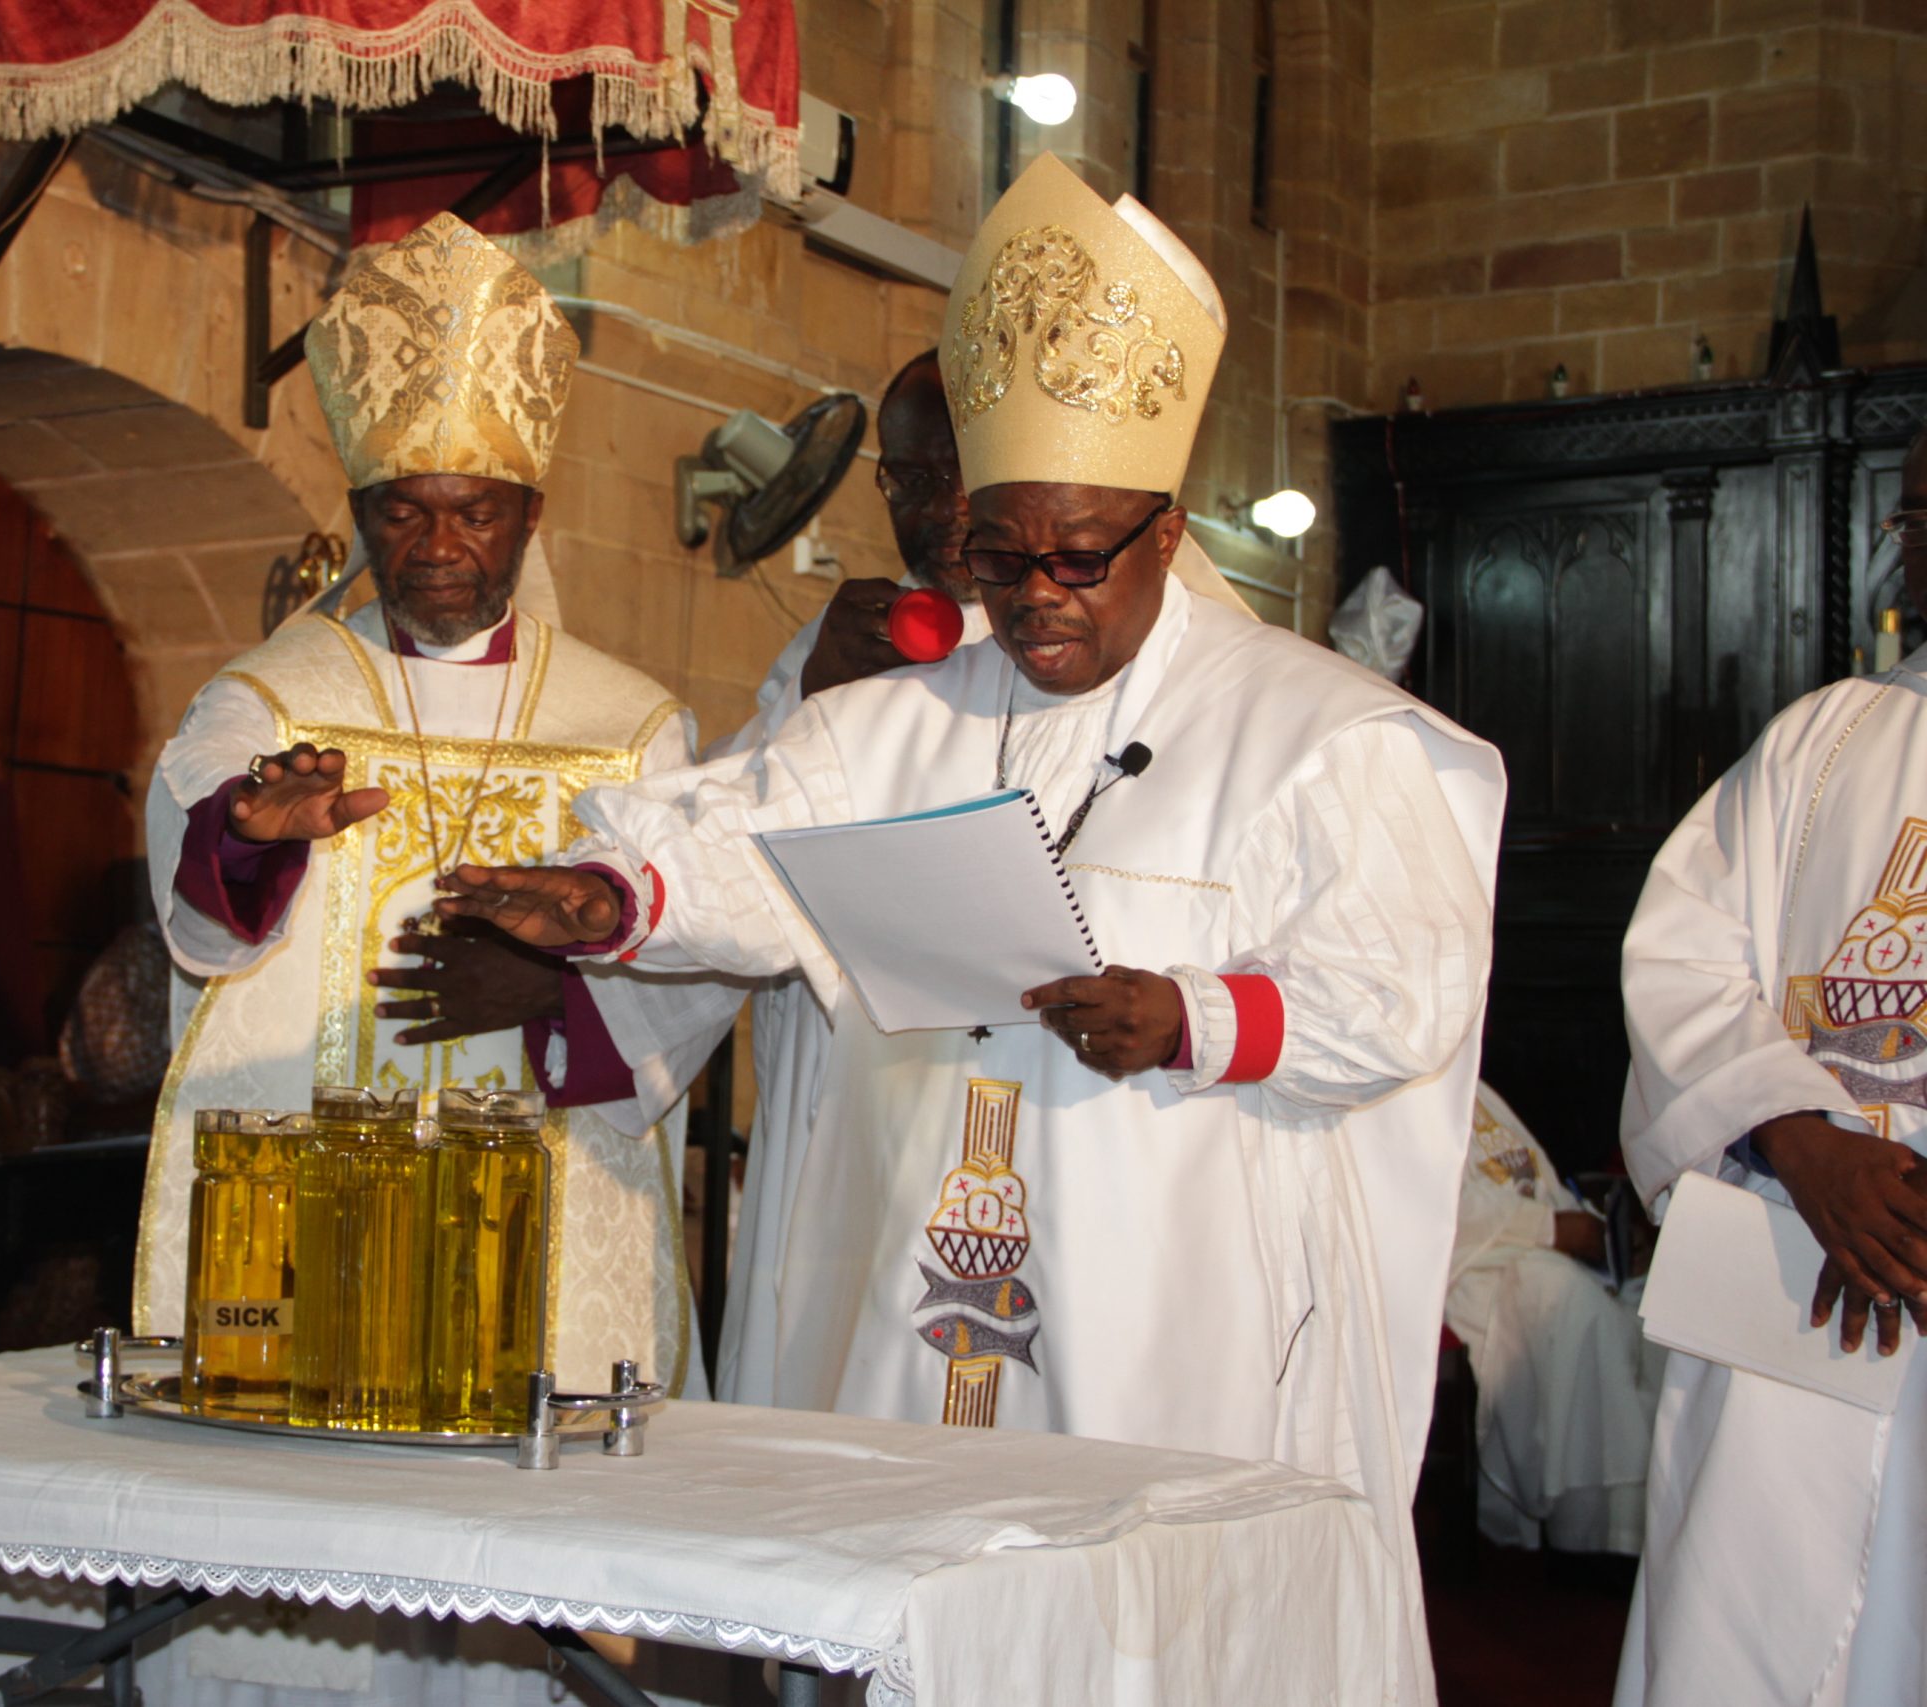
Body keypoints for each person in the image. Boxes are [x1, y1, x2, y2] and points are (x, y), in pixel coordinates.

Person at [433, 155, 1503, 1700]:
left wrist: (1196, 1014)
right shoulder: (900, 717)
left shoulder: (1320, 736)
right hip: (918, 1303)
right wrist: (613, 897)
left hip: (1162, 1315)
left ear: (1167, 524)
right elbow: (748, 831)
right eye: (999, 559)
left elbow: (1401, 992)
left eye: (1078, 557)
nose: (1036, 600)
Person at [137, 209, 732, 1384]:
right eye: (403, 511)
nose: (438, 547)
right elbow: (202, 857)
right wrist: (249, 839)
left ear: (529, 519)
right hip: (312, 1185)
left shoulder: (634, 726)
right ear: (362, 517)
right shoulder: (271, 697)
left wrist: (556, 993)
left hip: (544, 1179)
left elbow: (706, 942)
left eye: (475, 512)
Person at [711, 349, 1265, 1404]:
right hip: (862, 1098)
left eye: (960, 474)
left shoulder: (1170, 661)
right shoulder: (835, 641)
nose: (935, 513)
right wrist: (819, 695)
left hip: (1078, 1127)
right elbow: (739, 832)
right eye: (906, 480)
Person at [1616, 422, 1927, 1707]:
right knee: (1745, 1623)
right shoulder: (1830, 738)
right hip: (1789, 1276)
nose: (1922, 543)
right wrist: (1799, 1140)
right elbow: (1678, 958)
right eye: (1917, 511)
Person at [1448, 1081, 1657, 1554]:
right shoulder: (1394, 1087)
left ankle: (1646, 1530)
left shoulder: (1476, 1088)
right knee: (1566, 1302)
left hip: (1535, 1257)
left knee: (1657, 1308)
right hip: (1471, 1273)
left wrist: (1605, 1238)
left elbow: (1544, 1187)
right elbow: (1426, 1213)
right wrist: (1548, 1229)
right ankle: (1591, 1532)